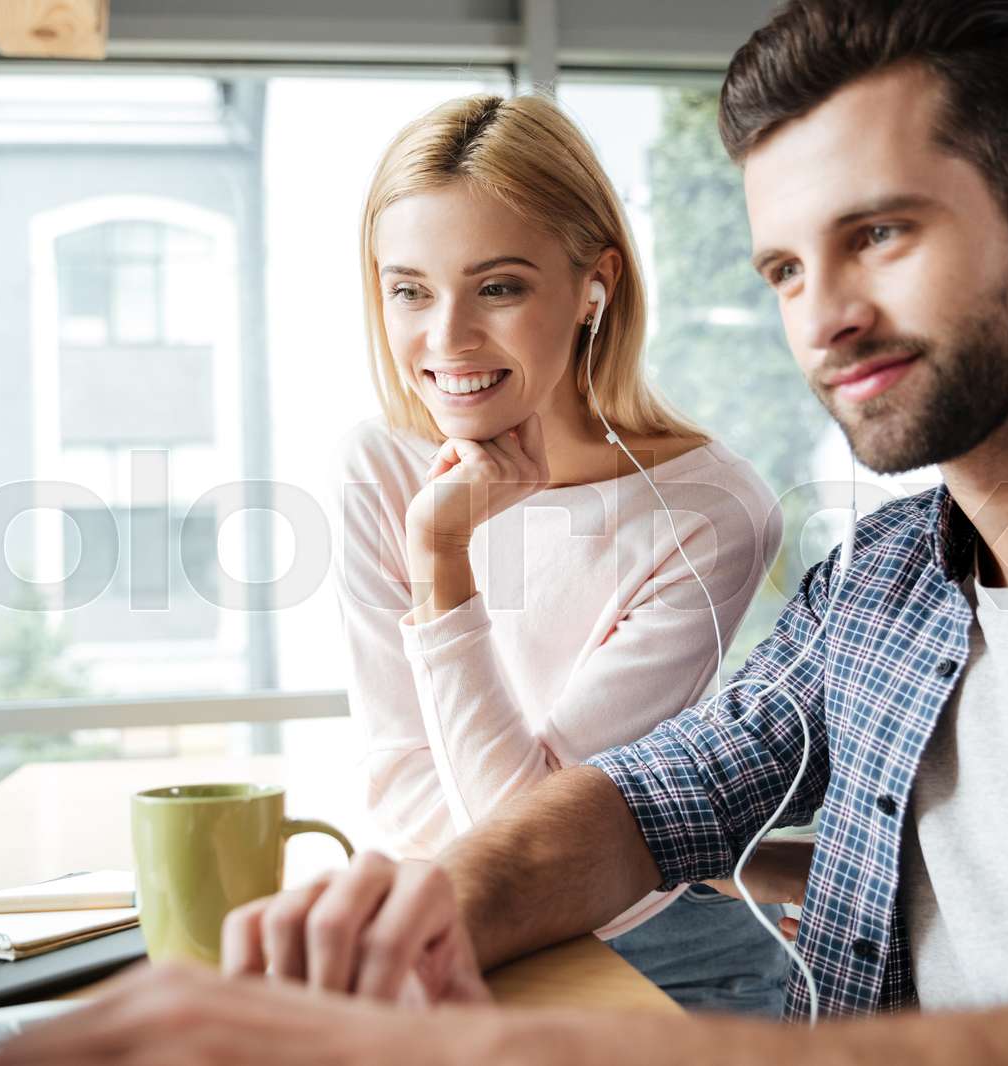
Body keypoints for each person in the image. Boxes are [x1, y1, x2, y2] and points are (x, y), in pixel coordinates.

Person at [0, 1, 1008, 1063]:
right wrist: (396, 927)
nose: (824, 319)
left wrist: (505, 1045)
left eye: (877, 234)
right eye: (785, 270)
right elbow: (634, 807)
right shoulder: (876, 593)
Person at [332, 92, 788, 1013]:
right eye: (410, 288)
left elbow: (534, 841)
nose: (448, 337)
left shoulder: (708, 512)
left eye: (498, 286)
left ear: (594, 287)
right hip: (441, 939)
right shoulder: (381, 463)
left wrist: (444, 551)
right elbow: (402, 781)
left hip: (649, 955)